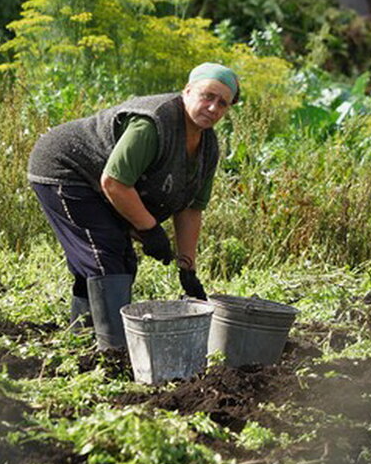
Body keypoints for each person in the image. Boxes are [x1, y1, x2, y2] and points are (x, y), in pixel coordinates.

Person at [27, 63, 238, 348]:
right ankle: (114, 350)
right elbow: (114, 182)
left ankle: (83, 337)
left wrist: (187, 269)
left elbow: (190, 209)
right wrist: (149, 229)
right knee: (105, 254)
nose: (213, 107)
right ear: (187, 91)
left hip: (102, 184)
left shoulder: (207, 147)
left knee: (121, 259)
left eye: (222, 103)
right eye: (207, 96)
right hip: (64, 167)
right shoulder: (154, 123)